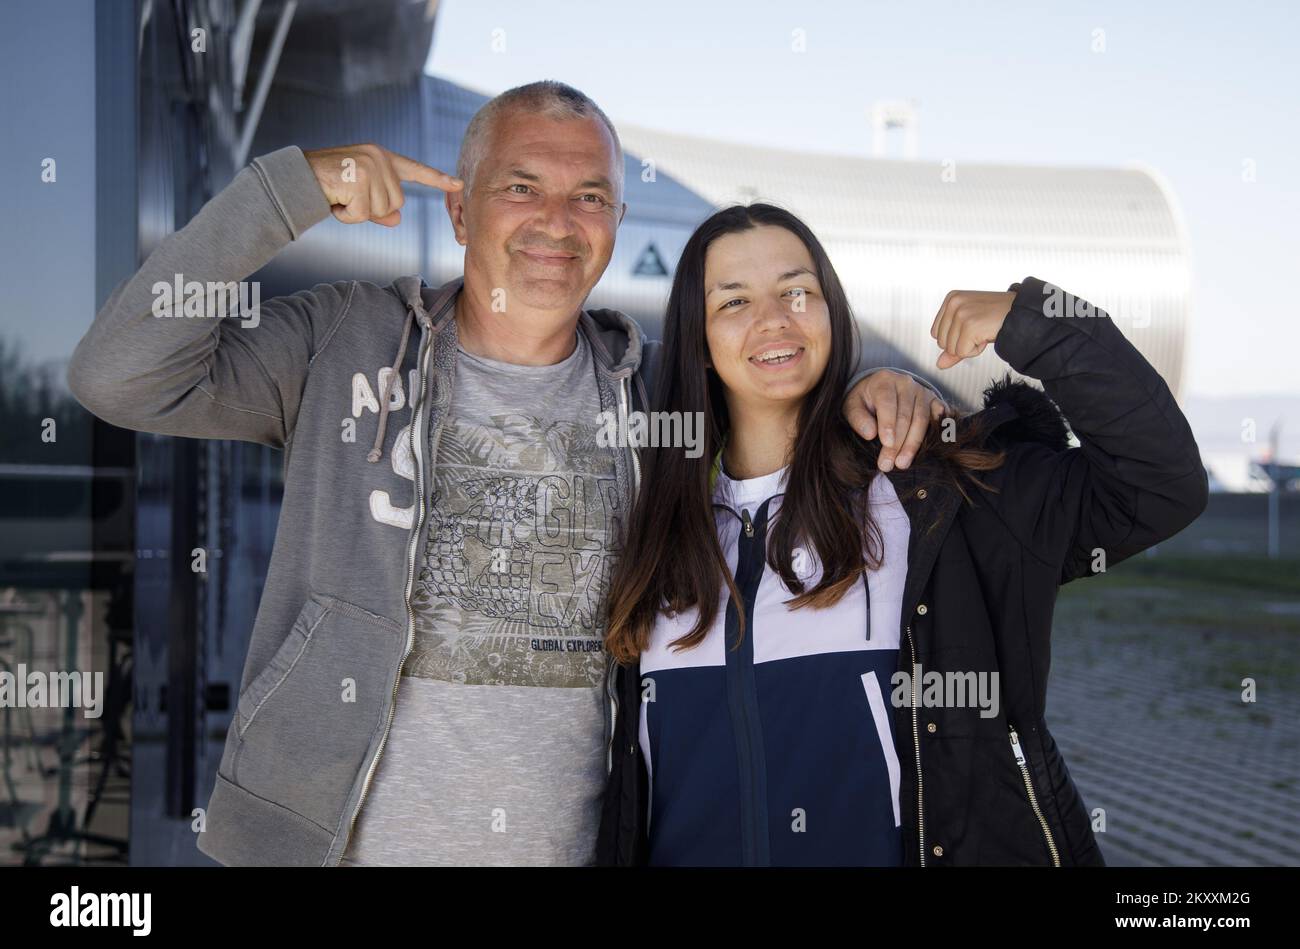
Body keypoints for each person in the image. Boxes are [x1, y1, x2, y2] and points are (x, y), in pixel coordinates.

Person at [66, 81, 943, 866]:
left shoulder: (658, 388)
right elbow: (118, 374)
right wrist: (288, 189)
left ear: (615, 224)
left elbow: (780, 368)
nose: (557, 221)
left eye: (590, 196)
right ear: (460, 209)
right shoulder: (345, 343)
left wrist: (886, 386)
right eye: (523, 186)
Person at [597, 203, 1209, 866]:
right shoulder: (656, 528)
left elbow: (1157, 486)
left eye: (797, 291)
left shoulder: (937, 493)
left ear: (833, 312)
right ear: (700, 342)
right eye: (734, 301)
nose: (774, 319)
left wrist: (1032, 320)